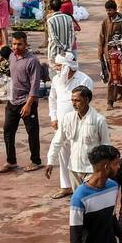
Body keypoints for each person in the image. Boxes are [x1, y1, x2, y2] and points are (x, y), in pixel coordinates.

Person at [46, 58, 100, 198]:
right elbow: (52, 99)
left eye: (59, 66)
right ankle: (66, 186)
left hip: (81, 122)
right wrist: (53, 117)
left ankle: (88, 185)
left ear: (67, 67)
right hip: (62, 123)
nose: (57, 69)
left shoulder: (84, 80)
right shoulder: (57, 80)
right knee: (63, 153)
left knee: (84, 152)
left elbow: (86, 101)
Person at [46, 84, 111, 192]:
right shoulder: (68, 118)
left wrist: (104, 169)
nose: (74, 104)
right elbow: (57, 140)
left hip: (92, 170)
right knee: (78, 201)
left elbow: (106, 145)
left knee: (92, 201)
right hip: (74, 168)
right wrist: (50, 161)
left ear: (86, 100)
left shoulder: (99, 120)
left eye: (77, 100)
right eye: (72, 100)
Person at [0, 30, 42, 174]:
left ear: (26, 44)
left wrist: (28, 105)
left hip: (27, 102)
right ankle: (11, 161)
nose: (16, 47)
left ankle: (36, 161)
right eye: (14, 44)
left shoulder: (33, 61)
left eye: (20, 44)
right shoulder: (11, 56)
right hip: (12, 101)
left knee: (32, 132)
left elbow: (35, 85)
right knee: (8, 131)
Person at [99, 0, 122, 109]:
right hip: (107, 53)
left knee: (112, 77)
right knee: (116, 74)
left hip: (118, 54)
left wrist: (119, 41)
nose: (108, 12)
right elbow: (101, 38)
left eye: (110, 10)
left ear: (115, 10)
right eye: (107, 10)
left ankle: (110, 101)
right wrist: (100, 53)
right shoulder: (105, 22)